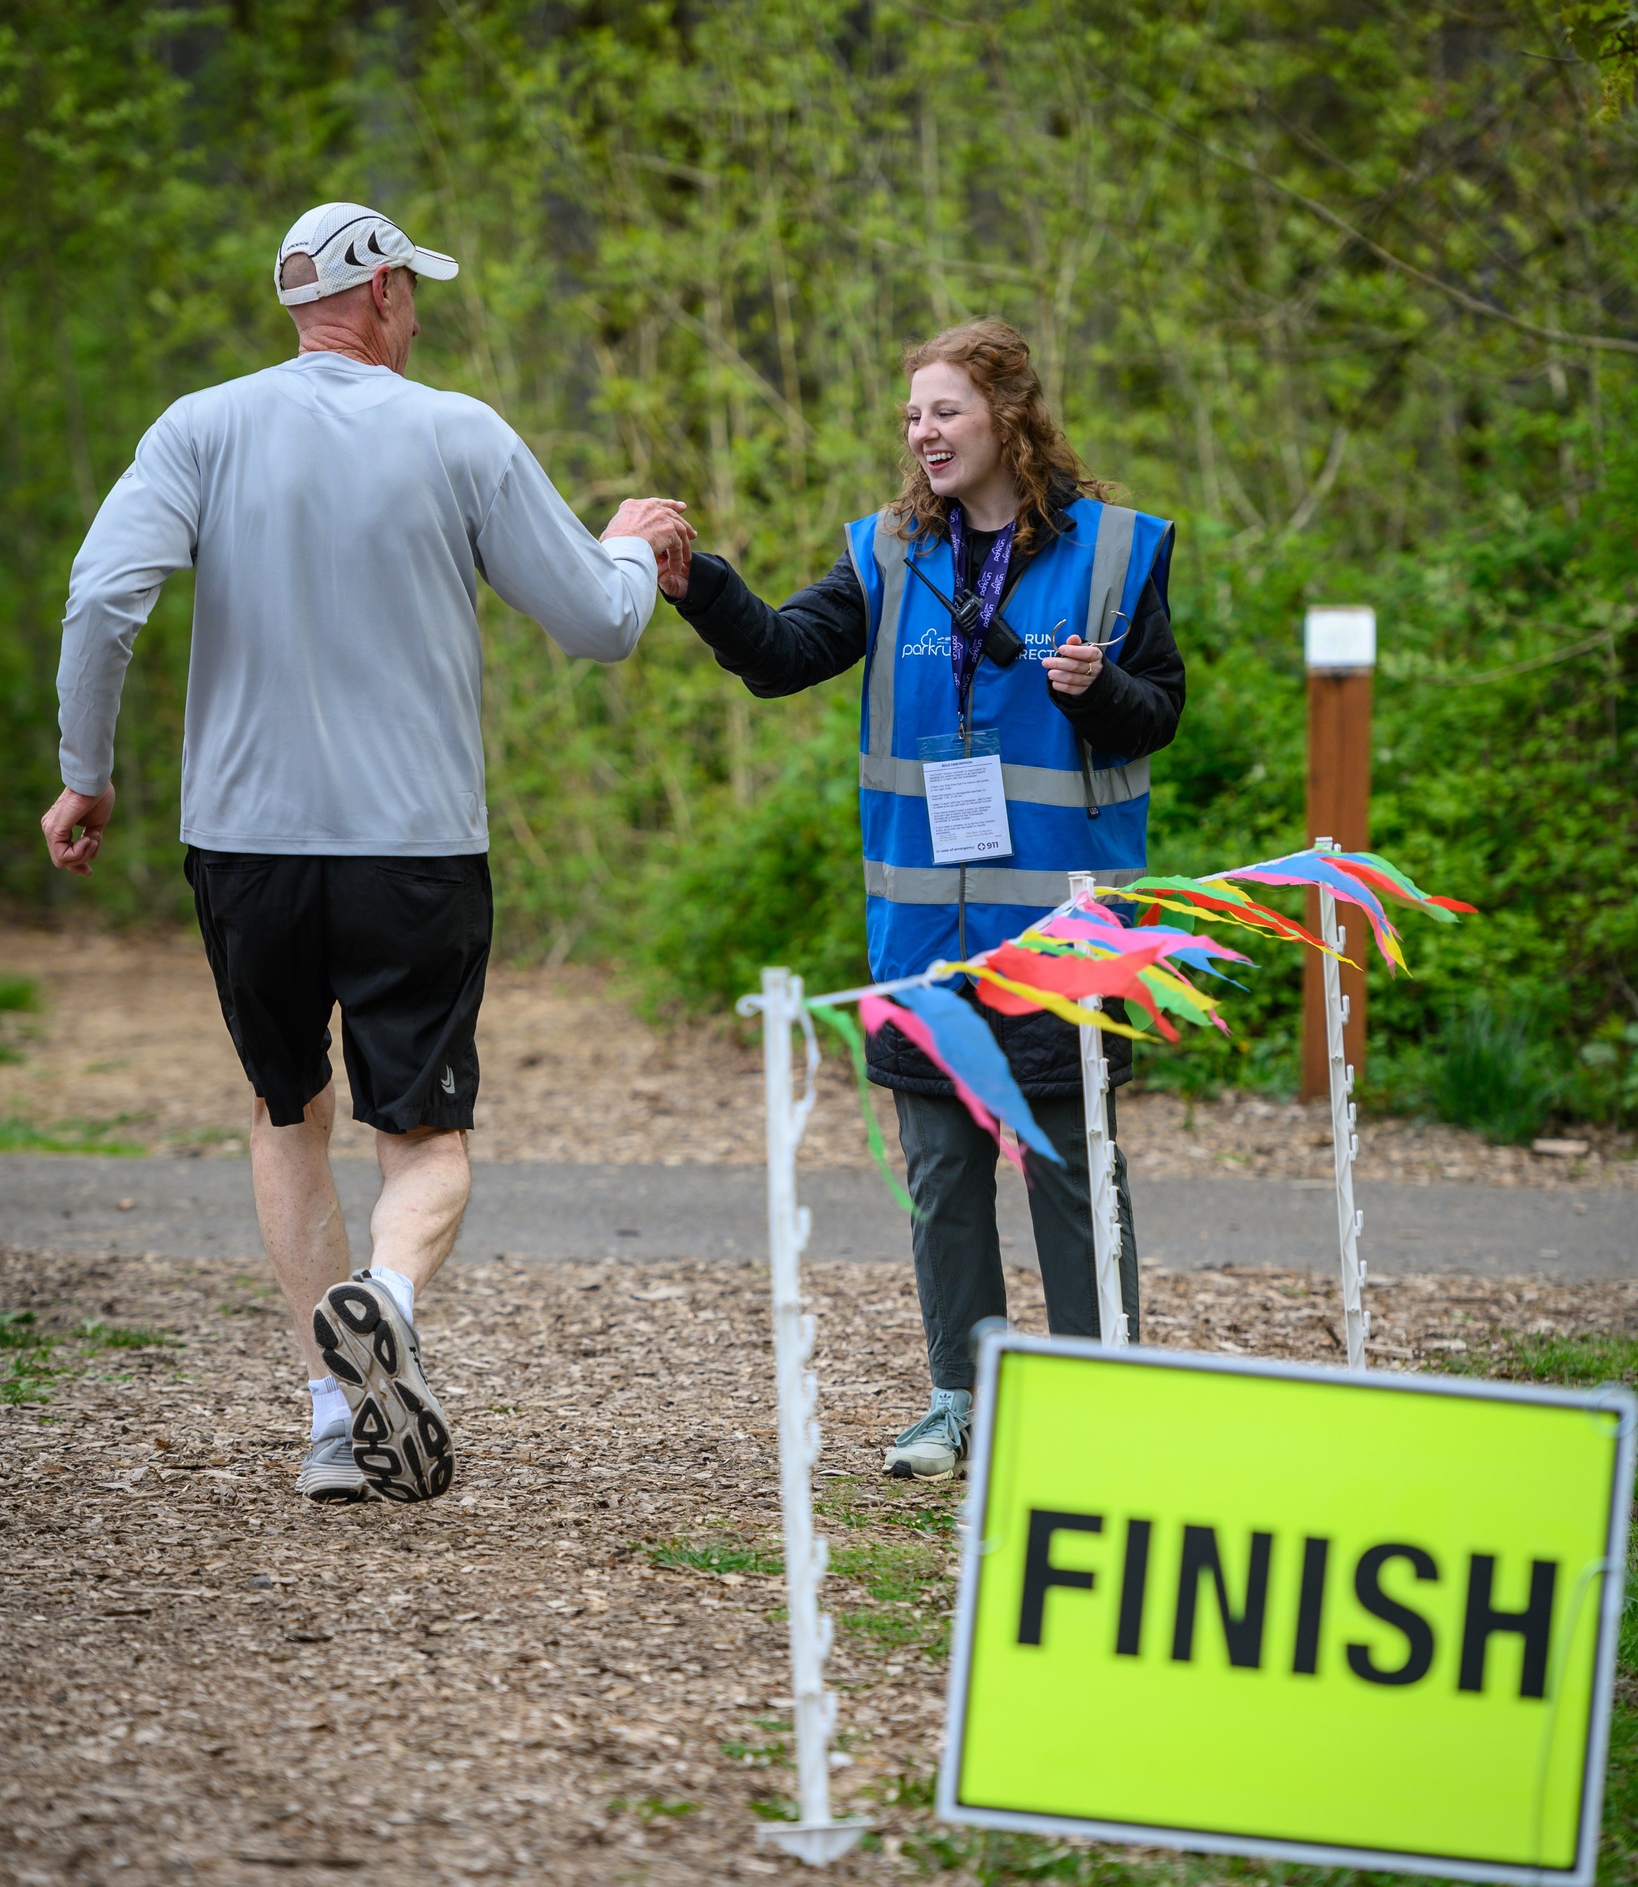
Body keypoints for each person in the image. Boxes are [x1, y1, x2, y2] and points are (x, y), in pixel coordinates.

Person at [42, 201, 693, 1506]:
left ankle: (336, 1419)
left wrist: (87, 775)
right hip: (414, 847)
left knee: (288, 1114)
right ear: (385, 293)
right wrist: (632, 543)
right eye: (418, 291)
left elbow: (104, 601)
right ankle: (383, 1301)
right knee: (425, 1132)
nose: (421, 313)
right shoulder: (457, 432)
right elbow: (599, 624)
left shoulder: (200, 427)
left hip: (243, 843)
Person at [664, 319, 1184, 1480]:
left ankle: (1104, 1406)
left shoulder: (1118, 552)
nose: (922, 430)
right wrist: (697, 584)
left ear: (1008, 415)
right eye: (912, 414)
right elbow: (785, 653)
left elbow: (1160, 715)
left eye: (944, 408)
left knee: (1065, 1162)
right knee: (943, 1170)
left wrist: (1102, 691)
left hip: (1065, 933)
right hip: (924, 934)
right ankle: (963, 1398)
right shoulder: (890, 552)